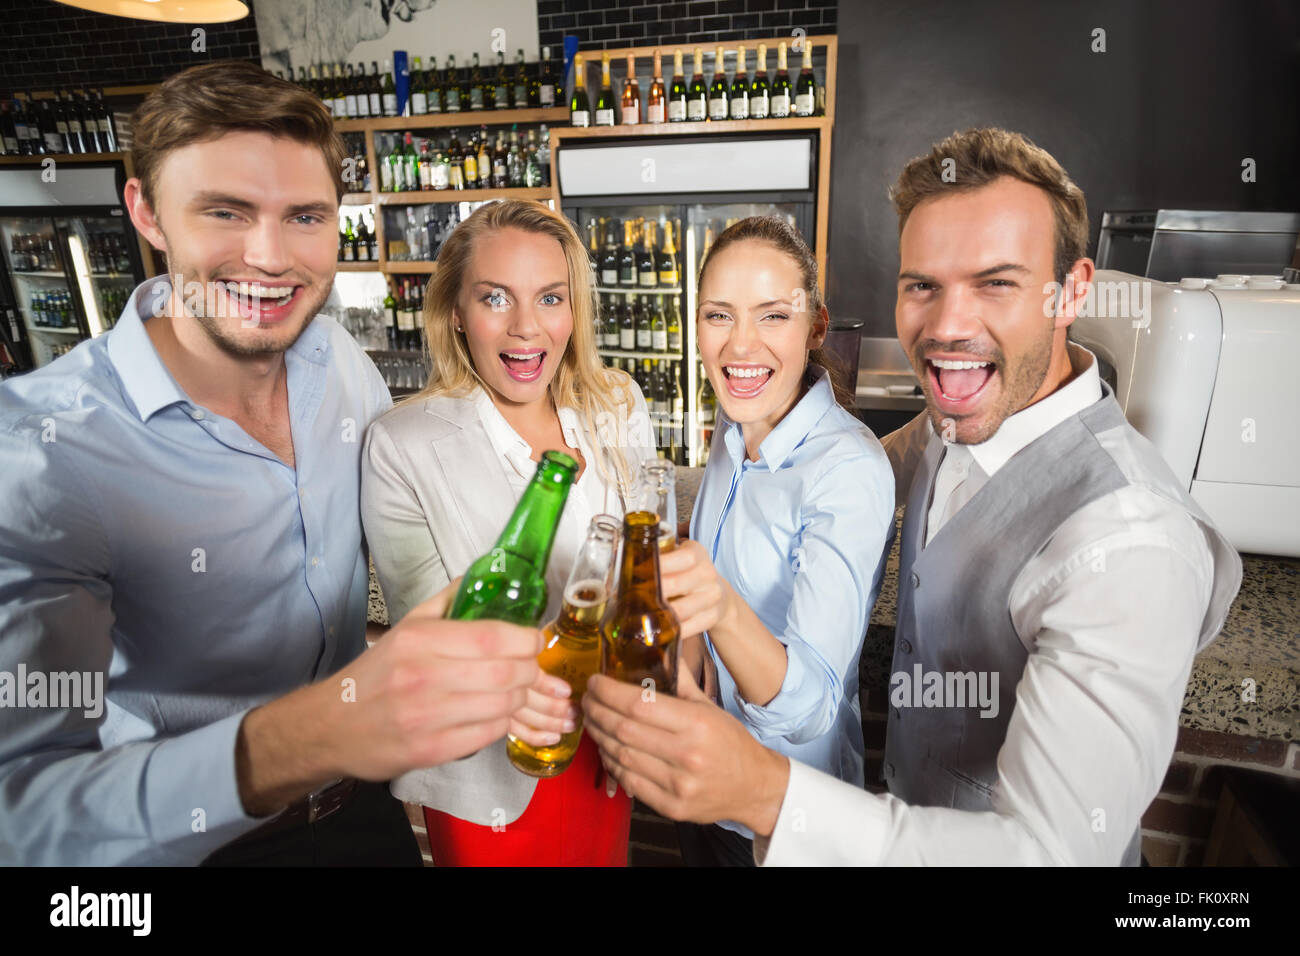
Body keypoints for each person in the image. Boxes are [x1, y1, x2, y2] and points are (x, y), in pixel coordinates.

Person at [582, 128, 1242, 866]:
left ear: (1073, 290)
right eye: (922, 285)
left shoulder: (1133, 539)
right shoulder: (950, 423)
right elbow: (810, 471)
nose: (949, 325)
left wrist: (761, 794)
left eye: (996, 281)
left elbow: (1049, 853)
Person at [0, 62, 546, 866]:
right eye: (226, 211)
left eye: (304, 217)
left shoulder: (339, 365)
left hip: (365, 819)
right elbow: (26, 813)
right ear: (145, 212)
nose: (270, 257)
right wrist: (309, 738)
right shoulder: (43, 454)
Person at [361, 199, 657, 866]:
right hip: (489, 776)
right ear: (456, 313)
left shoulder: (618, 405)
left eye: (550, 298)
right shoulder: (401, 445)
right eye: (496, 297)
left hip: (607, 748)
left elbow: (643, 574)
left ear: (574, 310)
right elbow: (430, 640)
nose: (528, 329)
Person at [655, 216, 894, 866]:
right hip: (702, 790)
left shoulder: (847, 470)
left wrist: (720, 606)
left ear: (816, 325)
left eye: (772, 317)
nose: (740, 345)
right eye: (719, 315)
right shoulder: (732, 431)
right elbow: (700, 580)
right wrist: (687, 669)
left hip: (787, 828)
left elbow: (810, 704)